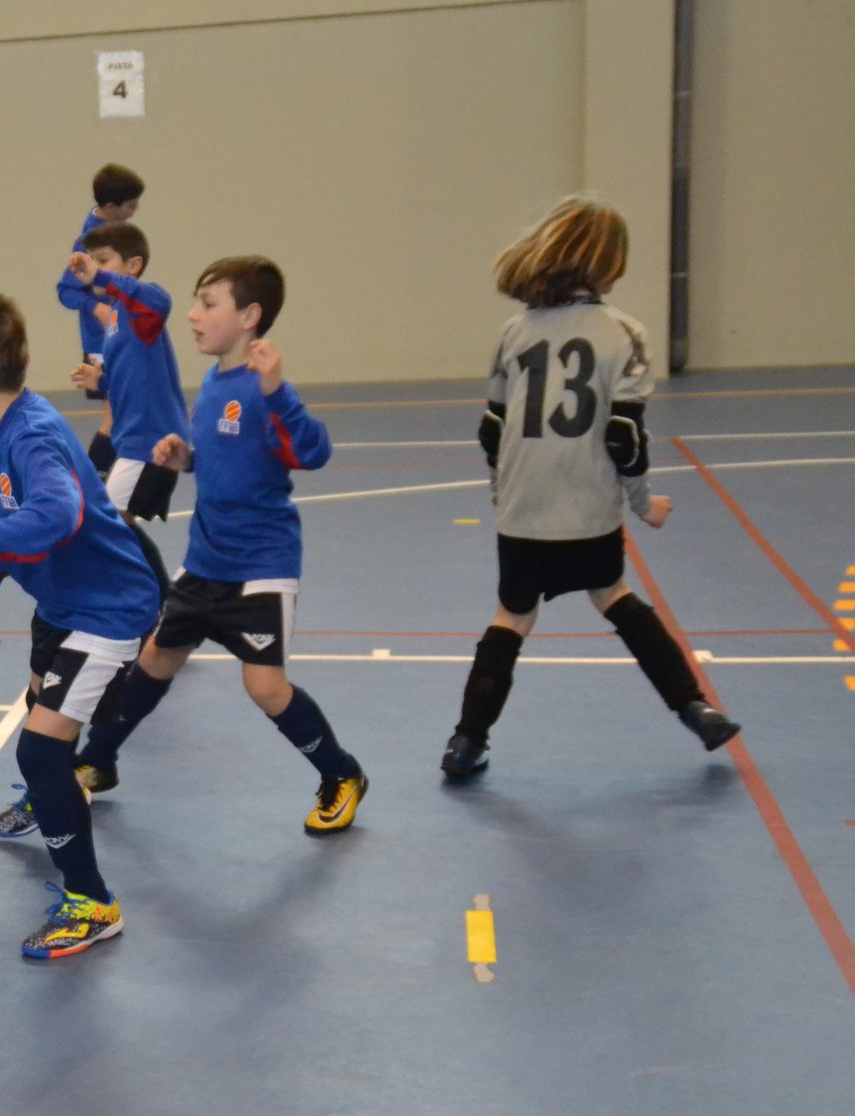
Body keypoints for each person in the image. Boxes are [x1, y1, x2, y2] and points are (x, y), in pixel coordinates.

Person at [442, 197, 740, 778]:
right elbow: (624, 439)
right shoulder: (623, 334)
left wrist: (506, 499)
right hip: (589, 515)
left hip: (523, 518)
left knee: (511, 617)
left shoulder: (513, 333)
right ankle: (694, 707)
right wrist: (643, 504)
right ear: (608, 265)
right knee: (616, 598)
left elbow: (492, 431)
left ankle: (465, 741)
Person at [0, 295, 160, 957]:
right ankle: (55, 801)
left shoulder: (34, 433)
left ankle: (91, 902)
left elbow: (57, 512)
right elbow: (11, 522)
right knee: (42, 709)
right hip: (63, 603)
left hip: (108, 607)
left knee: (39, 750)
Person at [73, 256, 370, 835]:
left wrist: (279, 391)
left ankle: (342, 773)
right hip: (205, 561)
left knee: (265, 686)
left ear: (250, 316)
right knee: (155, 659)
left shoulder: (264, 387)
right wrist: (186, 460)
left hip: (259, 566)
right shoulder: (212, 381)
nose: (193, 314)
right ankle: (98, 761)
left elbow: (313, 453)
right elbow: (225, 457)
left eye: (209, 303)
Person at [63, 221, 187, 598]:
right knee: (113, 523)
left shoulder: (144, 306)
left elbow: (159, 301)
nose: (95, 268)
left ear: (133, 265)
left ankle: (157, 603)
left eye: (105, 260)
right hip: (132, 441)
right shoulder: (116, 317)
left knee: (108, 523)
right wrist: (100, 381)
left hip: (149, 442)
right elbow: (131, 382)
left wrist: (98, 274)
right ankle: (163, 601)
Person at [57, 163, 145, 474]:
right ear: (109, 207)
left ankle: (106, 477)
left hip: (119, 338)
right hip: (100, 343)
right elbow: (65, 290)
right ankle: (90, 479)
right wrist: (97, 308)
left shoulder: (114, 234)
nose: (136, 209)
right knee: (114, 415)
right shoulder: (88, 243)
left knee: (121, 412)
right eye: (131, 205)